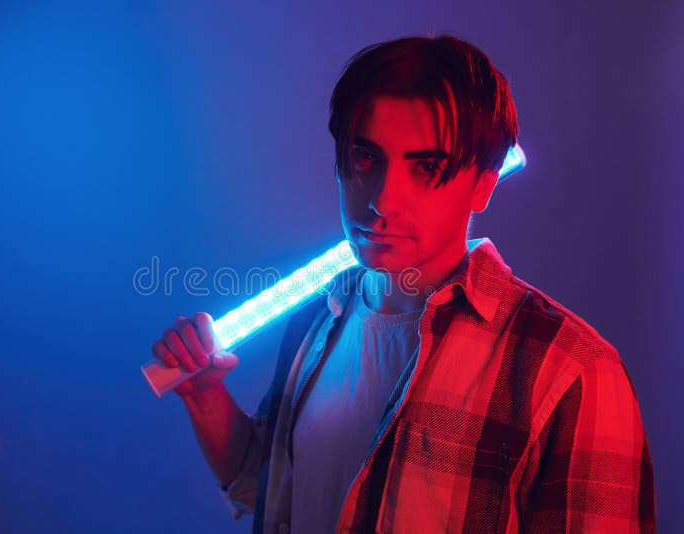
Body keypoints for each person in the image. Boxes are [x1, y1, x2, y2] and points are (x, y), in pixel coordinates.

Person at [150, 35, 656, 533]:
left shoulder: (572, 371)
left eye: (427, 167)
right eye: (366, 157)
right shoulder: (317, 318)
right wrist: (204, 393)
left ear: (485, 182)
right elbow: (272, 487)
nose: (383, 201)